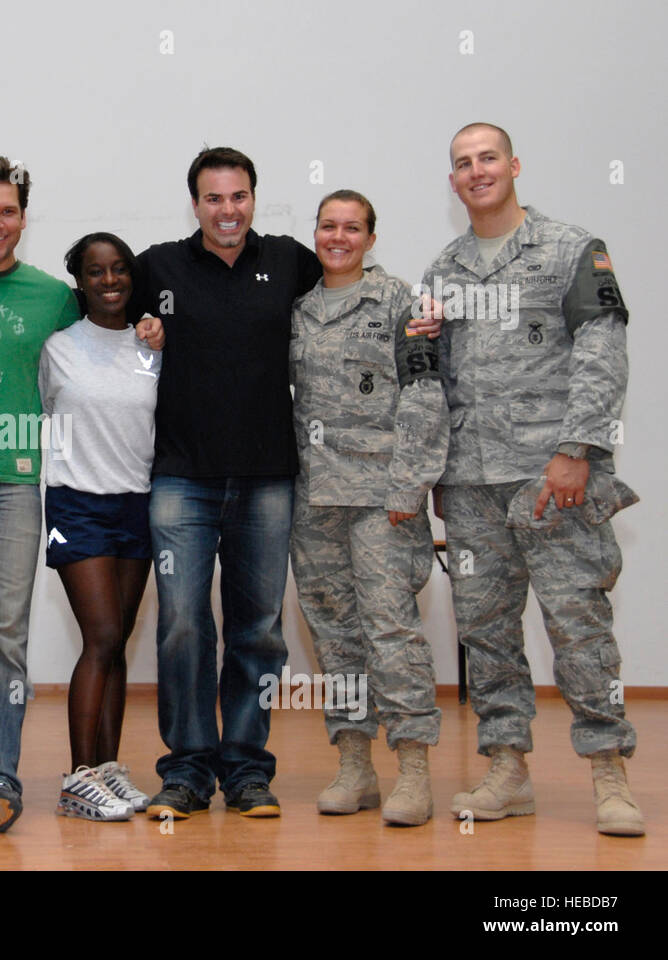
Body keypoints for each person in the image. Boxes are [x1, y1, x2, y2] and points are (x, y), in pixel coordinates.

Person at [137, 147, 442, 822]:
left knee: (260, 631)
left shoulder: (291, 263)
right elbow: (95, 296)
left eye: (239, 196)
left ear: (254, 199)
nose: (227, 209)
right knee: (184, 625)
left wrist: (418, 314)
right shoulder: (157, 265)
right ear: (195, 204)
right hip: (181, 480)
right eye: (214, 198)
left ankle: (246, 769)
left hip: (271, 482)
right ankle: (187, 770)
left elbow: (355, 283)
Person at [0, 157, 164, 832]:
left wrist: (151, 327)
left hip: (17, 484)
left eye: (9, 211)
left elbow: (111, 319)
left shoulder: (52, 296)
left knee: (2, 633)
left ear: (25, 217)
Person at [425, 123, 642, 836]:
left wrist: (577, 446)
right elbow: (433, 382)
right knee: (486, 634)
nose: (476, 171)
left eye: (488, 157)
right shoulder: (444, 271)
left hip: (553, 478)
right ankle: (508, 768)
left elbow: (602, 350)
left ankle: (610, 773)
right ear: (453, 181)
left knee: (579, 629)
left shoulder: (571, 248)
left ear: (513, 165)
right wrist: (432, 472)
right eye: (463, 164)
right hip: (470, 484)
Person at [288, 190, 447, 826]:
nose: (339, 237)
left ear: (370, 238)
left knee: (391, 633)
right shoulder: (295, 309)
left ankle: (413, 768)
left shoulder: (402, 303)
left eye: (352, 228)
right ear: (316, 232)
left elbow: (426, 394)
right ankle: (355, 764)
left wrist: (410, 486)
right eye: (329, 226)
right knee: (335, 638)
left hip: (383, 500)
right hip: (315, 499)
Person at [39, 232, 159, 821]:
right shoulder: (57, 347)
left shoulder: (153, 346)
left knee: (118, 645)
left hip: (137, 505)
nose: (109, 280)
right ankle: (77, 777)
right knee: (103, 636)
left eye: (118, 270)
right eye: (95, 271)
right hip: (76, 504)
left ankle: (107, 770)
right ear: (79, 281)